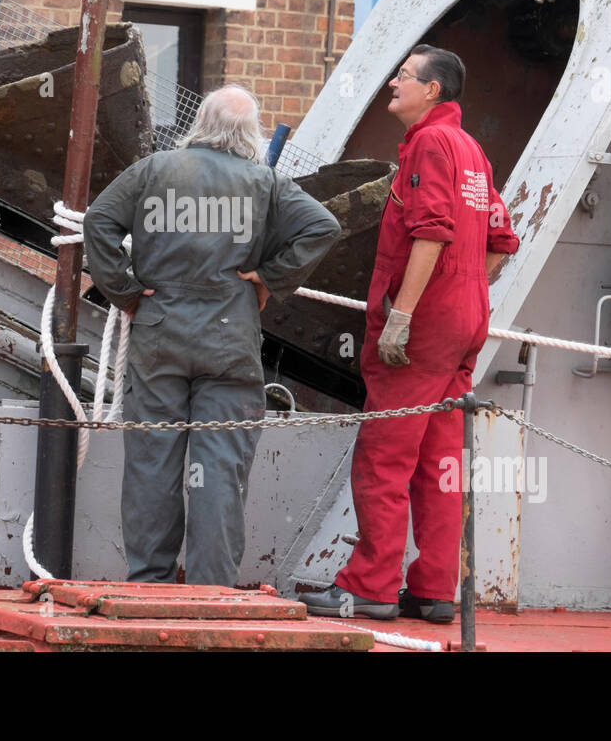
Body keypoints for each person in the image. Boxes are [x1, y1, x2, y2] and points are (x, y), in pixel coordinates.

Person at [83, 85, 341, 587]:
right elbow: (322, 227)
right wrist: (270, 277)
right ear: (251, 134)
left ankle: (149, 584)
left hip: (158, 333)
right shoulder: (264, 182)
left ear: (200, 122)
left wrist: (127, 293)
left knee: (152, 464)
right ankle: (211, 589)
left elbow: (99, 222)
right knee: (219, 468)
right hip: (230, 340)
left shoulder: (155, 169)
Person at [301, 44, 519, 621]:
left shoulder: (428, 143)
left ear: (433, 91)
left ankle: (369, 586)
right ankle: (433, 590)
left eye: (404, 76)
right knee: (439, 460)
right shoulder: (472, 149)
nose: (393, 83)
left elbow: (431, 231)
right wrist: (463, 292)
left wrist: (405, 313)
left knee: (385, 456)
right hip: (466, 321)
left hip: (422, 328)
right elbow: (500, 239)